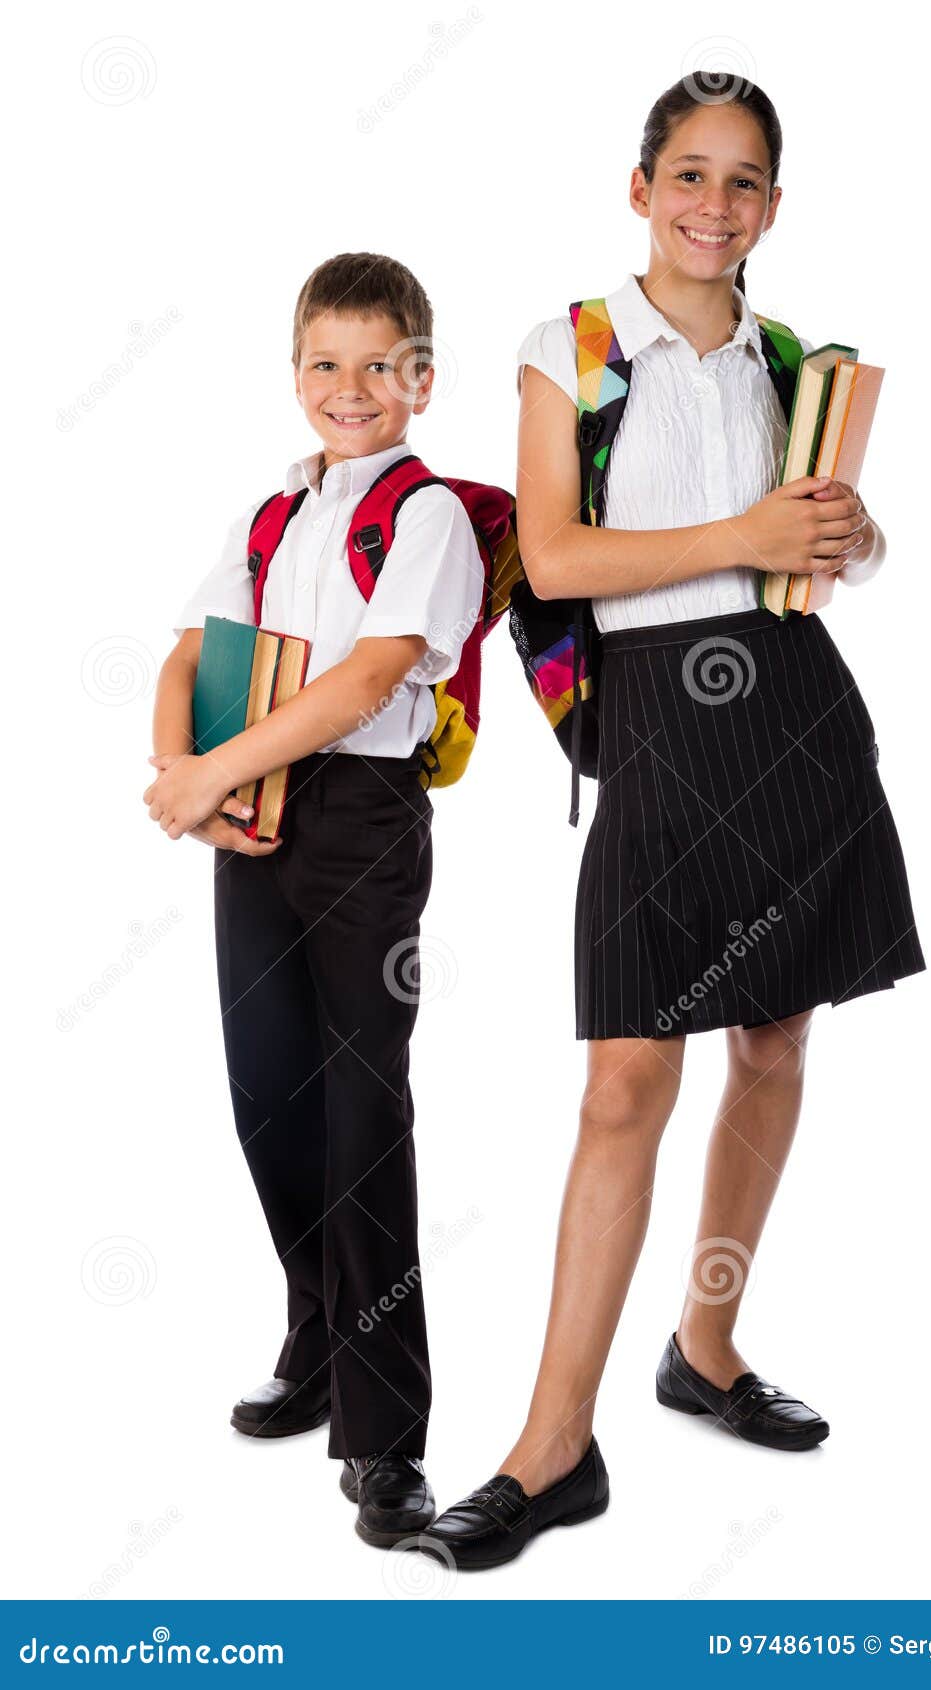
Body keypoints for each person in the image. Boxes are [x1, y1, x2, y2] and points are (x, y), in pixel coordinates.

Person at [421, 74, 926, 1571]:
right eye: (691, 174)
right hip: (655, 727)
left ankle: (704, 1348)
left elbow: (820, 547)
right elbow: (557, 560)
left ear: (775, 206)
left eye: (747, 181)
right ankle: (550, 1444)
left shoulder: (787, 360)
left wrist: (850, 533)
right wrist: (743, 536)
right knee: (626, 1079)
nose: (717, 204)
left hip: (799, 714)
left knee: (774, 1039)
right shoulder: (569, 349)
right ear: (638, 186)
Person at [143, 252, 483, 1548]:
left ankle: (386, 1436)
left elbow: (365, 684)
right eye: (325, 365)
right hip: (253, 819)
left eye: (378, 366)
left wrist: (214, 769)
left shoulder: (428, 514)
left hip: (358, 824)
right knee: (268, 1095)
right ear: (296, 378)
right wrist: (181, 770)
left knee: (362, 1110)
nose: (349, 389)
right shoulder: (269, 515)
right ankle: (316, 1336)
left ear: (420, 380)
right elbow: (188, 652)